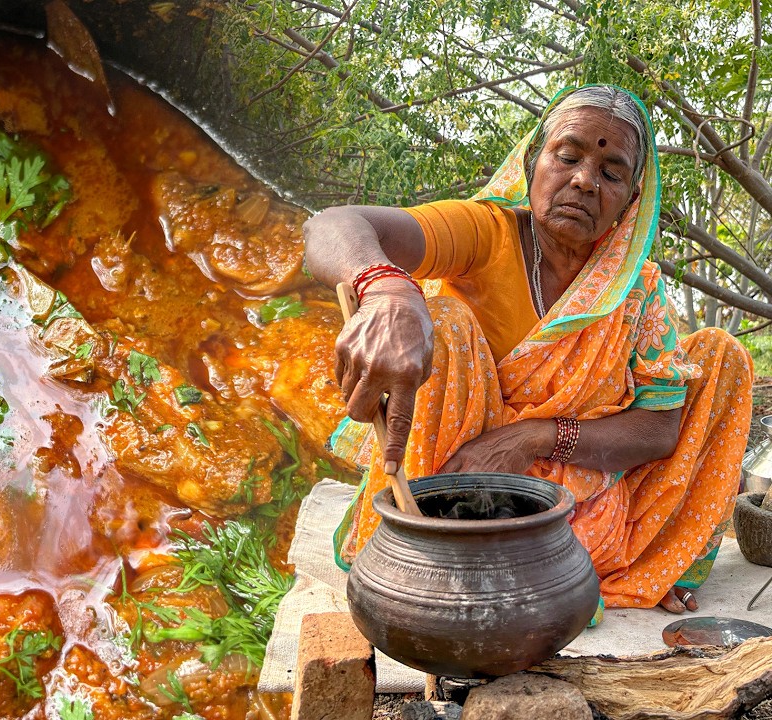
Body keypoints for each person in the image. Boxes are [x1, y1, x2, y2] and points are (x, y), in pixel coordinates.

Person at [303, 84, 754, 614]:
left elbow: (658, 429)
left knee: (722, 356)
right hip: (462, 498)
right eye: (567, 156)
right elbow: (332, 226)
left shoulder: (634, 288)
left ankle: (654, 561)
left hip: (584, 524)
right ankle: (427, 553)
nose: (584, 181)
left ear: (630, 201)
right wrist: (386, 289)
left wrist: (535, 436)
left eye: (611, 174)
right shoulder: (485, 234)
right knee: (442, 321)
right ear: (530, 162)